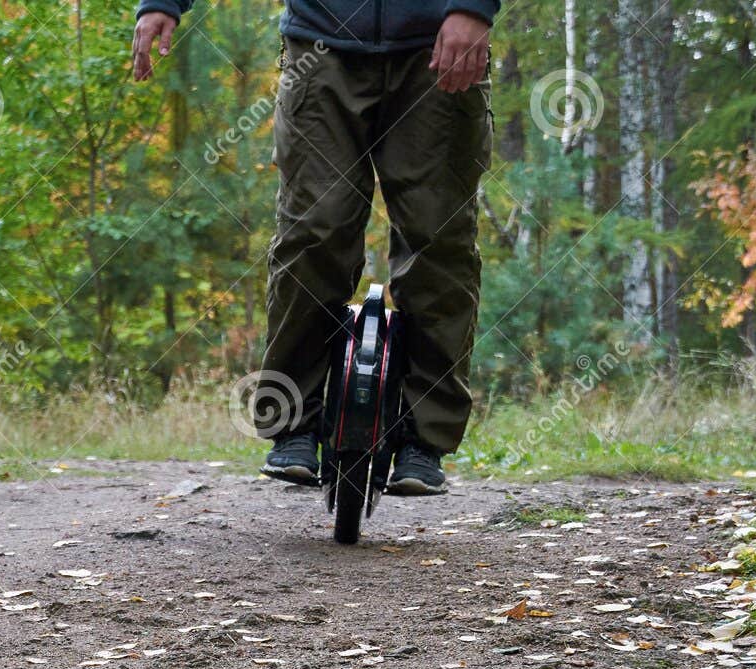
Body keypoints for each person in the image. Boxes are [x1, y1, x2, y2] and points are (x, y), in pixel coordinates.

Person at [133, 1, 497, 496]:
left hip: (439, 44)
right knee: (312, 233)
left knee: (440, 243)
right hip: (322, 46)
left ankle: (423, 441)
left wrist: (473, 7)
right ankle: (294, 427)